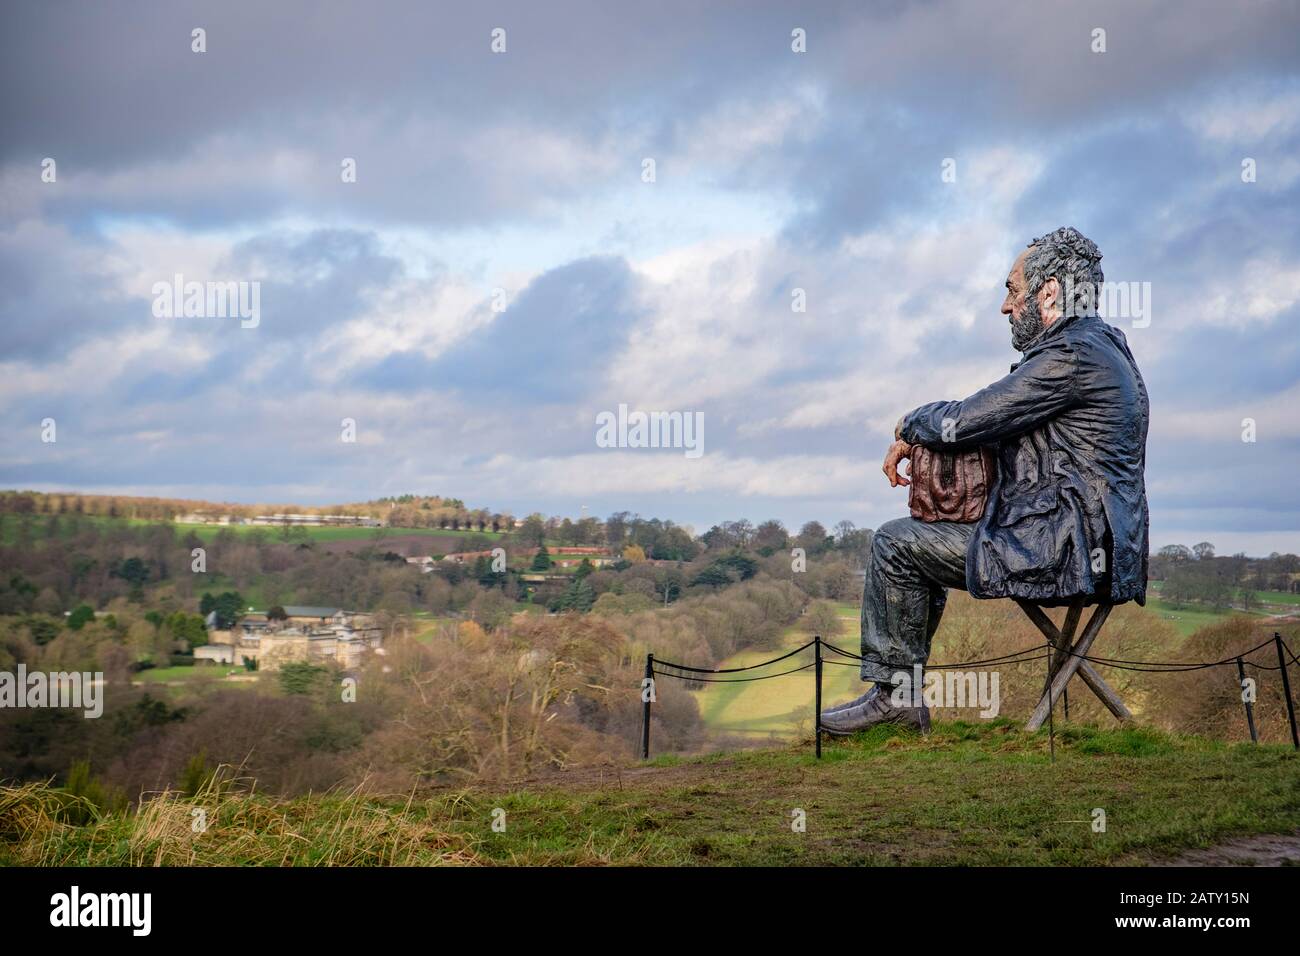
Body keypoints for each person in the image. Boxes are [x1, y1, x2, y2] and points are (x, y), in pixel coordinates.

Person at [820, 226, 1149, 735]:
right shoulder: (1100, 348)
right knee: (914, 543)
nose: (1004, 306)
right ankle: (898, 698)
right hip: (1086, 542)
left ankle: (895, 700)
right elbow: (999, 430)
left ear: (1049, 291)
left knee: (896, 543)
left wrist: (908, 425)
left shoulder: (1072, 356)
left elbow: (971, 417)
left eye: (1012, 290)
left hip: (1064, 549)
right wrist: (927, 443)